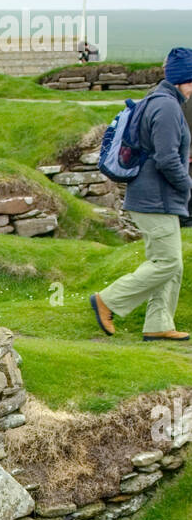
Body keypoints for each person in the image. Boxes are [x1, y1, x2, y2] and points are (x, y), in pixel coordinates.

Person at [91, 48, 192, 341]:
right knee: (168, 262)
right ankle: (107, 300)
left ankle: (158, 323)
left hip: (157, 197)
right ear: (181, 78)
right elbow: (166, 158)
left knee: (170, 262)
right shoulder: (168, 107)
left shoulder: (160, 100)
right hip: (154, 198)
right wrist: (187, 186)